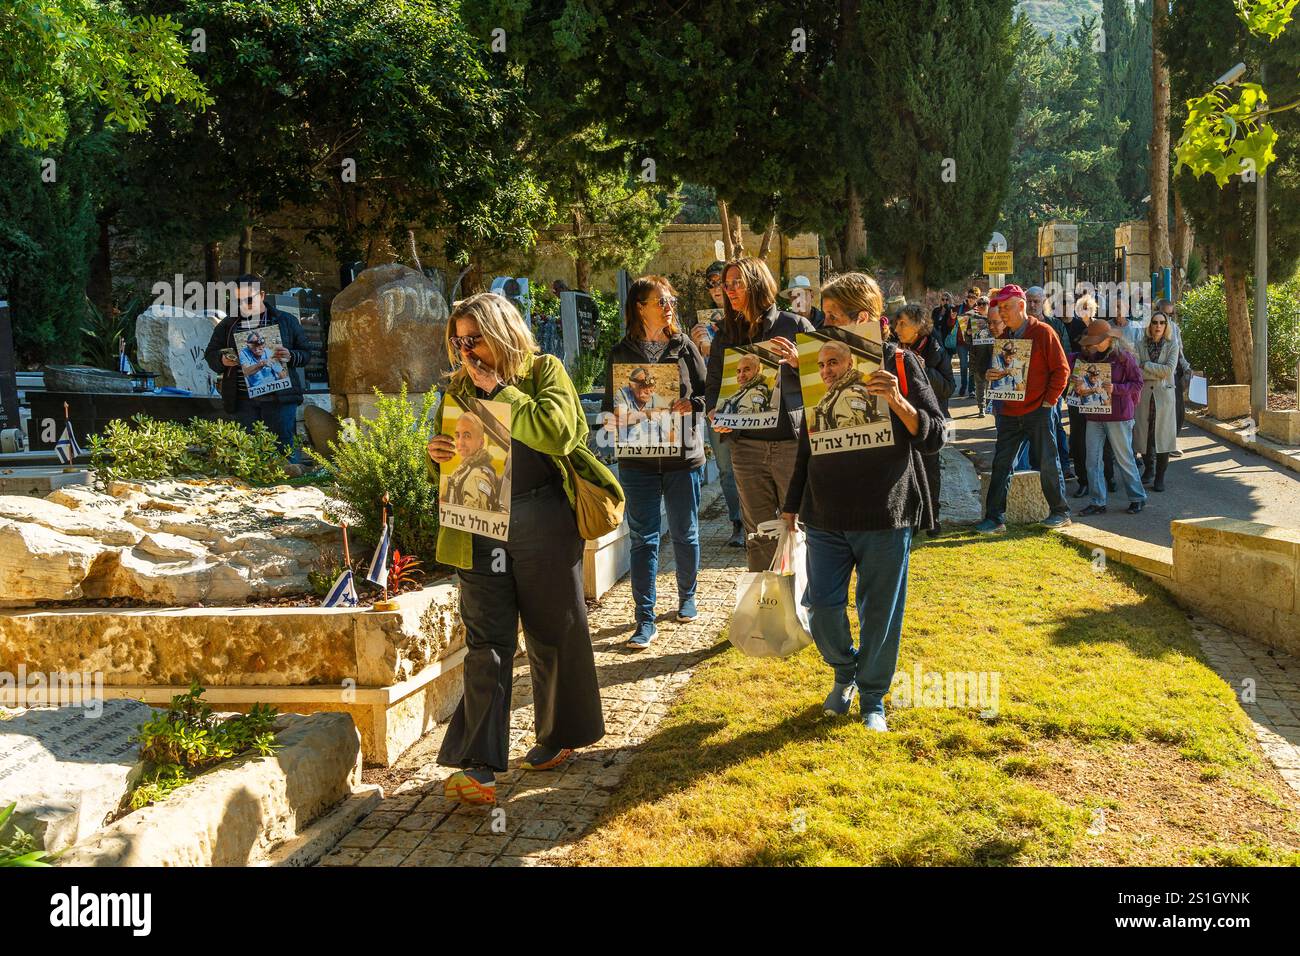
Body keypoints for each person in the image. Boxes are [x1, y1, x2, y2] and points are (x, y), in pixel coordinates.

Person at [426, 291, 608, 806]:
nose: (466, 352)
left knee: (555, 631)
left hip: (541, 519)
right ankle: (478, 765)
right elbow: (454, 461)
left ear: (501, 330)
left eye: (475, 339)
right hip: (478, 524)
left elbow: (561, 434)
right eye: (458, 342)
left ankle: (560, 736)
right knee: (487, 640)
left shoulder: (543, 372)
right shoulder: (459, 388)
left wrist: (502, 392)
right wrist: (437, 453)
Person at [782, 326, 946, 732]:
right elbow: (809, 442)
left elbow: (935, 435)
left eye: (832, 361)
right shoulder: (814, 376)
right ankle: (845, 671)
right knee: (821, 606)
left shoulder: (901, 362)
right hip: (825, 513)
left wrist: (895, 398)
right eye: (821, 364)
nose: (824, 368)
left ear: (866, 315)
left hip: (884, 515)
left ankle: (872, 697)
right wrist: (792, 502)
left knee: (879, 613)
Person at [602, 275, 707, 649]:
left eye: (670, 302)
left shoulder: (685, 347)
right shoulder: (619, 353)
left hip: (682, 457)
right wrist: (616, 418)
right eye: (660, 301)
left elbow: (709, 396)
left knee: (685, 532)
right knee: (643, 540)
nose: (668, 307)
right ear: (639, 307)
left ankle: (687, 597)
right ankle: (644, 620)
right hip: (639, 462)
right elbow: (606, 411)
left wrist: (690, 405)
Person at [705, 256, 816, 571]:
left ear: (757, 283)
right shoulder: (726, 333)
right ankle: (766, 609)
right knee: (759, 536)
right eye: (726, 286)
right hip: (747, 449)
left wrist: (799, 362)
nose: (730, 291)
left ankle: (802, 607)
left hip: (792, 446)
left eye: (737, 283)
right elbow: (713, 385)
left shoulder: (795, 325)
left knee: (800, 529)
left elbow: (824, 383)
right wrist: (715, 413)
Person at [974, 285, 1072, 534]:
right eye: (1000, 308)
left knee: (1048, 462)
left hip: (1039, 410)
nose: (1002, 313)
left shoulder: (1044, 332)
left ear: (1021, 305)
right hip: (1008, 411)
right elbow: (996, 370)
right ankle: (994, 518)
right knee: (1001, 464)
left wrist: (1049, 402)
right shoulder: (1003, 336)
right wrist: (990, 375)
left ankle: (1060, 512)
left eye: (1006, 307)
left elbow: (1062, 370)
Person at [204, 274, 313, 455]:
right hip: (242, 401)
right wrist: (222, 360)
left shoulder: (285, 320)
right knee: (246, 453)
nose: (243, 304)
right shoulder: (228, 324)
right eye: (238, 300)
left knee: (284, 451)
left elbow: (307, 353)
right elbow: (210, 354)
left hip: (280, 400)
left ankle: (289, 482)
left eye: (249, 299)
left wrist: (290, 356)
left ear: (261, 295)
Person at [691, 260, 744, 547]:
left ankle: (760, 522)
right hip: (718, 403)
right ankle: (737, 522)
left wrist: (715, 348)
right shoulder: (702, 325)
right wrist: (695, 347)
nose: (716, 288)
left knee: (755, 462)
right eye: (710, 283)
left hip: (748, 401)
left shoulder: (747, 320)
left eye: (720, 282)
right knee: (726, 467)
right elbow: (696, 373)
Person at [1071, 320, 1147, 515]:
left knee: (1124, 459)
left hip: (1119, 416)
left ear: (1108, 339)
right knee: (1092, 460)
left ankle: (1137, 497)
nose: (1093, 345)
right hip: (1094, 416)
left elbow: (1138, 383)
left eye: (1097, 341)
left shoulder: (1124, 358)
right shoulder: (1088, 359)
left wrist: (1117, 389)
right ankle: (1097, 502)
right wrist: (1077, 385)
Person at [893, 303, 953, 537]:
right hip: (900, 418)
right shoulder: (894, 348)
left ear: (919, 326)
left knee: (930, 469)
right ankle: (908, 517)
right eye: (897, 323)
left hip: (927, 420)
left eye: (903, 324)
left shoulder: (935, 349)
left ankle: (932, 517)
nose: (897, 328)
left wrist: (922, 369)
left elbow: (949, 387)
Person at [1066, 295, 1113, 498]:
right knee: (1078, 443)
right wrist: (1072, 381)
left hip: (1101, 408)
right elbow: (1063, 376)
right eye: (1085, 344)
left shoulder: (1109, 358)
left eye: (1091, 344)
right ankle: (1083, 481)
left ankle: (1108, 478)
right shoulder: (1074, 359)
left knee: (1105, 443)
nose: (1088, 347)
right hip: (1078, 407)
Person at [1026, 285, 1073, 480]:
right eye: (1029, 301)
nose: (1032, 305)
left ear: (1044, 301)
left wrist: (1062, 385)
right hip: (1026, 388)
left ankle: (1063, 466)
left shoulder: (1056, 325)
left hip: (1051, 387)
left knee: (1055, 426)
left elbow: (1066, 354)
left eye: (1036, 301)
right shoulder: (1020, 326)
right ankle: (1031, 471)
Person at [1133, 310, 1178, 492]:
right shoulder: (1140, 344)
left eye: (1162, 323)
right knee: (1144, 435)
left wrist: (1147, 365)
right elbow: (1136, 371)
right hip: (1144, 396)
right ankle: (1149, 469)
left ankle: (1160, 477)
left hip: (1164, 396)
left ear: (1166, 326)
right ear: (1149, 325)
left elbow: (1168, 370)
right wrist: (1152, 371)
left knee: (1162, 437)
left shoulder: (1172, 345)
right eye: (1155, 322)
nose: (1158, 326)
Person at [811, 340, 878, 431]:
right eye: (822, 365)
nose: (825, 371)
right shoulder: (838, 394)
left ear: (849, 364)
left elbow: (853, 440)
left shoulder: (848, 397)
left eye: (833, 363)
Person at [444, 410, 503, 511]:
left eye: (467, 436)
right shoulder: (466, 470)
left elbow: (473, 521)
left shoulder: (475, 477)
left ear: (481, 443)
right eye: (458, 435)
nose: (460, 442)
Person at [953, 285, 982, 397]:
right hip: (961, 342)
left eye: (974, 297)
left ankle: (971, 389)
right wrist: (952, 318)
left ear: (977, 298)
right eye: (970, 296)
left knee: (972, 366)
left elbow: (983, 325)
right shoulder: (960, 308)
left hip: (974, 342)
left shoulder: (980, 309)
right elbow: (951, 324)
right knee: (964, 365)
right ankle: (963, 386)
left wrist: (974, 329)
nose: (971, 299)